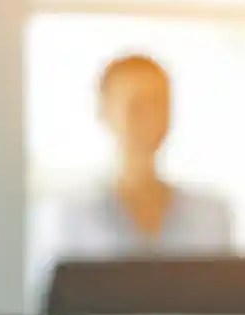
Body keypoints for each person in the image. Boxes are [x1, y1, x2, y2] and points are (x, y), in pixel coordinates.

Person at [53, 54, 232, 261]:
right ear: (103, 112)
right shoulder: (73, 219)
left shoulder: (211, 215)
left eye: (159, 104)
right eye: (136, 106)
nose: (150, 119)